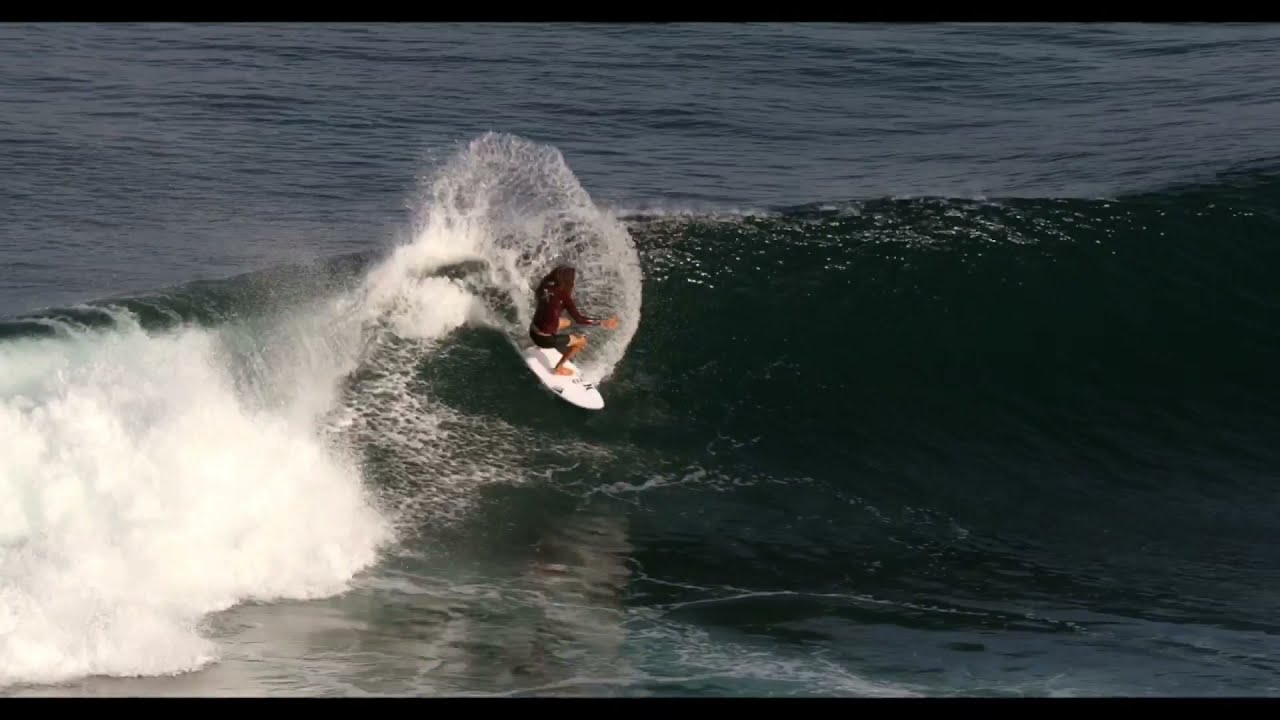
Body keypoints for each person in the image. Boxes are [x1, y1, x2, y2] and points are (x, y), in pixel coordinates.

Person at [529, 265, 618, 376]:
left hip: (532, 331)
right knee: (581, 341)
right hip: (544, 340)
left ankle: (547, 337)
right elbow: (580, 319)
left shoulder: (544, 286)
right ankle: (558, 368)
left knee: (567, 322)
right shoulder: (564, 296)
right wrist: (603, 322)